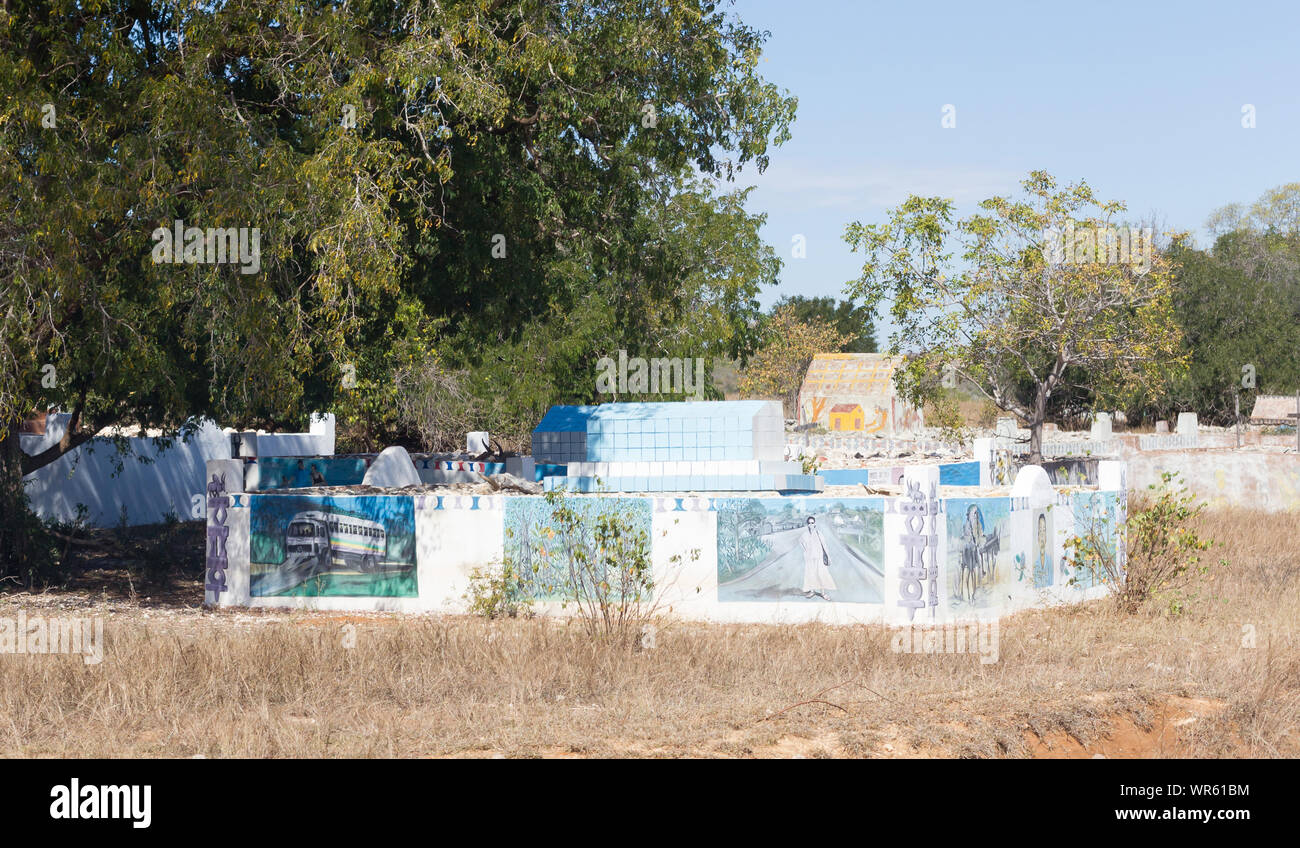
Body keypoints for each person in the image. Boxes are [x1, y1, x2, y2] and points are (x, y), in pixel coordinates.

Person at [799, 516, 836, 601]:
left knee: (821, 574)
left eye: (812, 523)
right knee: (811, 574)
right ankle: (812, 591)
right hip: (810, 559)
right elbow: (801, 542)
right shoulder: (805, 534)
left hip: (819, 558)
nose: (811, 524)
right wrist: (806, 551)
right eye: (809, 523)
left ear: (815, 524)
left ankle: (823, 593)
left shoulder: (819, 533)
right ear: (807, 524)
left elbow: (825, 546)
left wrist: (828, 557)